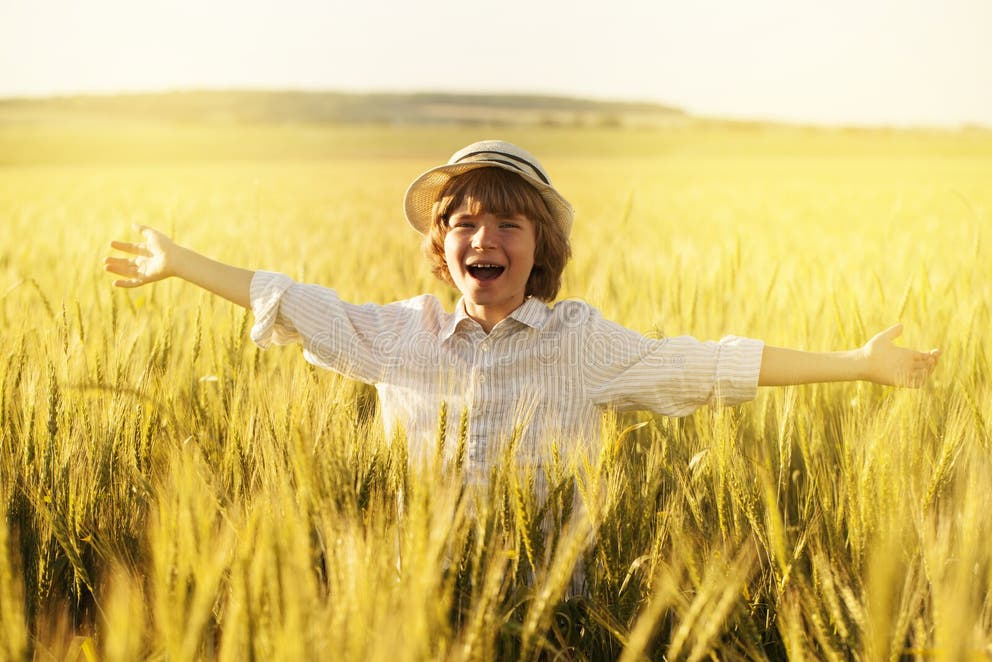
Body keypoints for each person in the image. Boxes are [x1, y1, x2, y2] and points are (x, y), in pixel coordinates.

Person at [104, 140, 941, 478]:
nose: (484, 238)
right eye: (463, 223)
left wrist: (858, 363)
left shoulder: (583, 345)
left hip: (551, 608)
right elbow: (290, 300)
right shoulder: (400, 336)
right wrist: (179, 264)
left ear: (539, 250)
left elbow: (714, 364)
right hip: (419, 606)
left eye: (508, 223)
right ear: (444, 251)